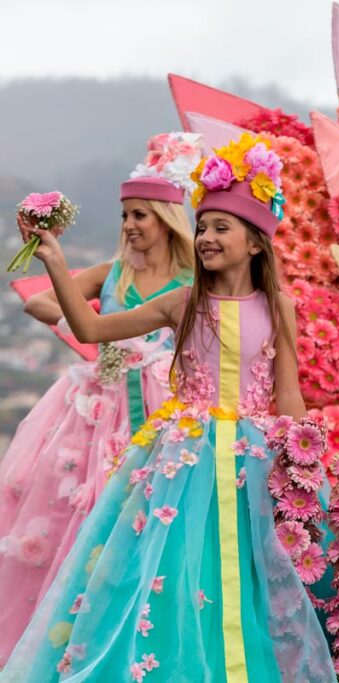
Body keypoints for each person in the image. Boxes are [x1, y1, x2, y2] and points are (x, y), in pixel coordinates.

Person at [1, 134, 334, 682]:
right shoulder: (184, 302)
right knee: (179, 569)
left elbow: (288, 392)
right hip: (186, 461)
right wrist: (56, 261)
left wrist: (297, 464)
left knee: (251, 573)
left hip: (251, 461)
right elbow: (90, 328)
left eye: (220, 227)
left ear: (256, 242)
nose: (205, 236)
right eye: (201, 226)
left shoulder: (278, 306)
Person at [0, 132, 198, 667]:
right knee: (76, 513)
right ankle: (57, 643)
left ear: (167, 219)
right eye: (125, 215)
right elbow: (38, 304)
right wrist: (94, 333)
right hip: (98, 407)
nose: (131, 225)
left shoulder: (192, 282)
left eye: (141, 215)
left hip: (161, 410)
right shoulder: (114, 275)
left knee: (144, 519)